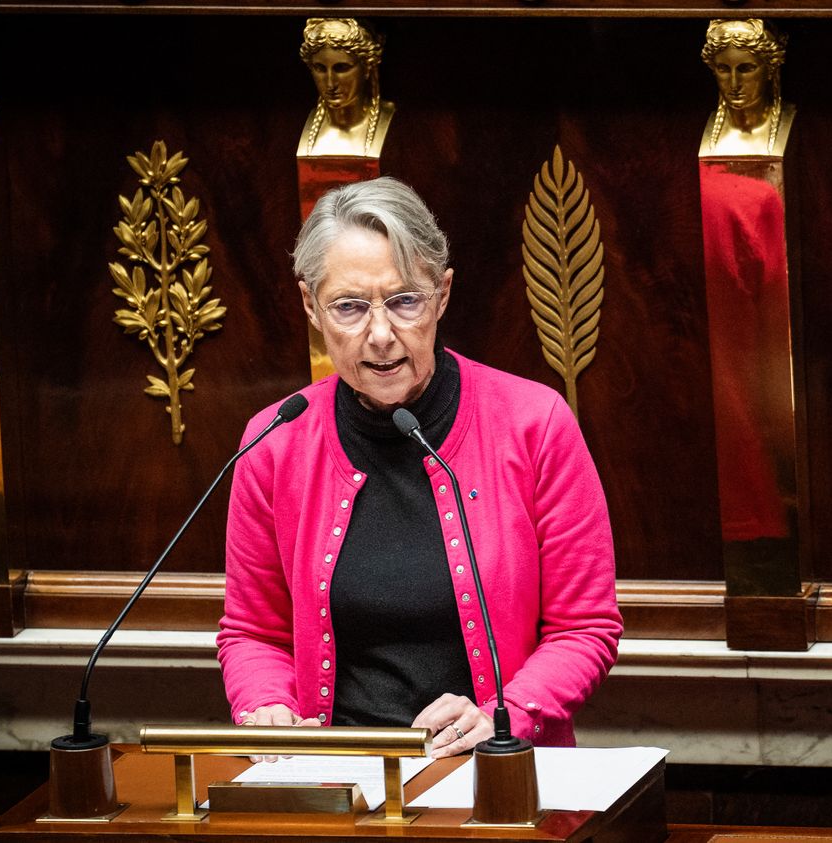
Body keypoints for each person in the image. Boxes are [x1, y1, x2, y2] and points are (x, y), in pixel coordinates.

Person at [217, 177, 622, 759]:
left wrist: (505, 716)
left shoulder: (535, 423)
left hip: (493, 765)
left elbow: (583, 627)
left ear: (442, 294)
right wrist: (267, 707)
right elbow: (254, 632)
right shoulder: (274, 441)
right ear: (310, 305)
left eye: (405, 301)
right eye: (349, 307)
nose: (381, 335)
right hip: (338, 772)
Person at [299, 18, 396, 158]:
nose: (331, 83)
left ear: (367, 67)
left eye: (341, 68)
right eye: (320, 68)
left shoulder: (394, 123)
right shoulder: (295, 126)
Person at [699, 18, 795, 157]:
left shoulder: (794, 122)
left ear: (770, 69)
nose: (734, 84)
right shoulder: (699, 127)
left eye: (746, 69)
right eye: (723, 69)